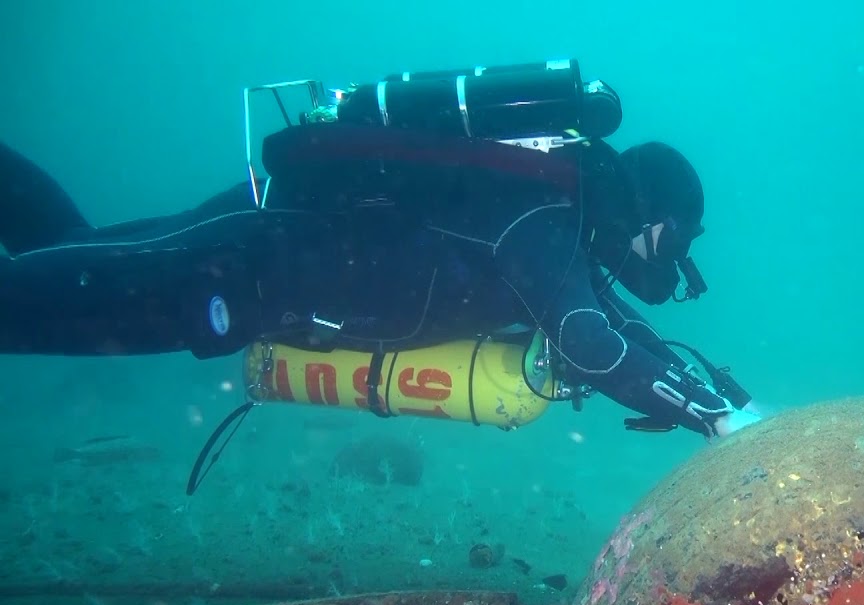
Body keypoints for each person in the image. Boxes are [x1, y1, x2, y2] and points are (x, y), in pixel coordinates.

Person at [0, 60, 763, 440]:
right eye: (670, 240)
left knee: (64, 258)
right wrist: (718, 427)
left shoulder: (559, 223)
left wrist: (723, 397)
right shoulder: (544, 211)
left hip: (260, 265)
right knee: (31, 304)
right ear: (647, 212)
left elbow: (612, 319)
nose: (664, 263)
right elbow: (591, 342)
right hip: (248, 259)